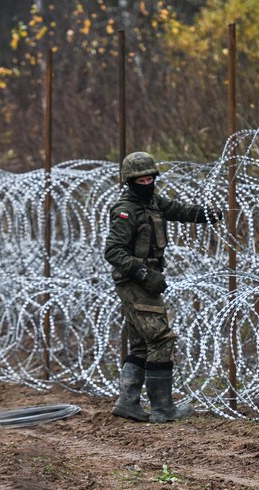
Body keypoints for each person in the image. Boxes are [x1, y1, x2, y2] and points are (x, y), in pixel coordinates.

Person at [104, 151, 220, 424]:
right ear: (129, 182)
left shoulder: (152, 203)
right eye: (140, 181)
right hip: (135, 282)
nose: (146, 184)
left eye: (149, 179)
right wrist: (144, 273)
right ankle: (162, 409)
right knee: (160, 339)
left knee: (142, 344)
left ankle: (128, 403)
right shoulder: (126, 211)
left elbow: (178, 210)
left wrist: (209, 215)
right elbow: (113, 251)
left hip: (145, 280)